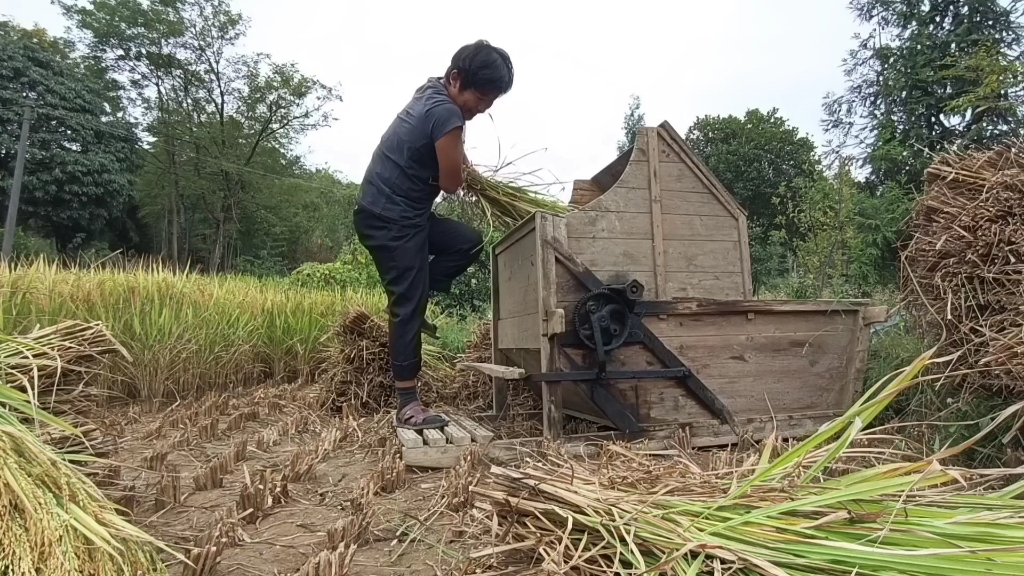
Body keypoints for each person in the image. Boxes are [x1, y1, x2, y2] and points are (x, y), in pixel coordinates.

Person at [353, 40, 514, 430]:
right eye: (481, 96)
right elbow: (452, 183)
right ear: (456, 79)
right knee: (407, 304)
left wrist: (456, 152)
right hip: (388, 218)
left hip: (406, 215)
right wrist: (460, 162)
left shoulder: (432, 89)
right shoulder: (446, 112)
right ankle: (408, 405)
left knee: (467, 240)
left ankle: (424, 291)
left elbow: (445, 151)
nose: (484, 107)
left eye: (492, 99)